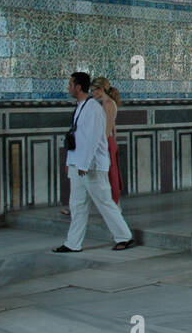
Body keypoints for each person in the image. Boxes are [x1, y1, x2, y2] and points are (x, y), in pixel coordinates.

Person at [54, 72, 135, 253]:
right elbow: (78, 137)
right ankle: (73, 243)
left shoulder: (93, 109)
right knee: (77, 205)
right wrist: (72, 161)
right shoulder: (82, 107)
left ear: (78, 87)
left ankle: (125, 237)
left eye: (70, 84)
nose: (68, 88)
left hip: (91, 167)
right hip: (78, 165)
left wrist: (83, 164)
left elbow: (92, 140)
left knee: (105, 202)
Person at [90, 77, 124, 204]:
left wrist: (104, 142)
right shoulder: (105, 103)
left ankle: (115, 202)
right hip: (108, 140)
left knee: (111, 173)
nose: (92, 94)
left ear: (100, 89)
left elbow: (108, 126)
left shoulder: (108, 103)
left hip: (106, 140)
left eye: (93, 90)